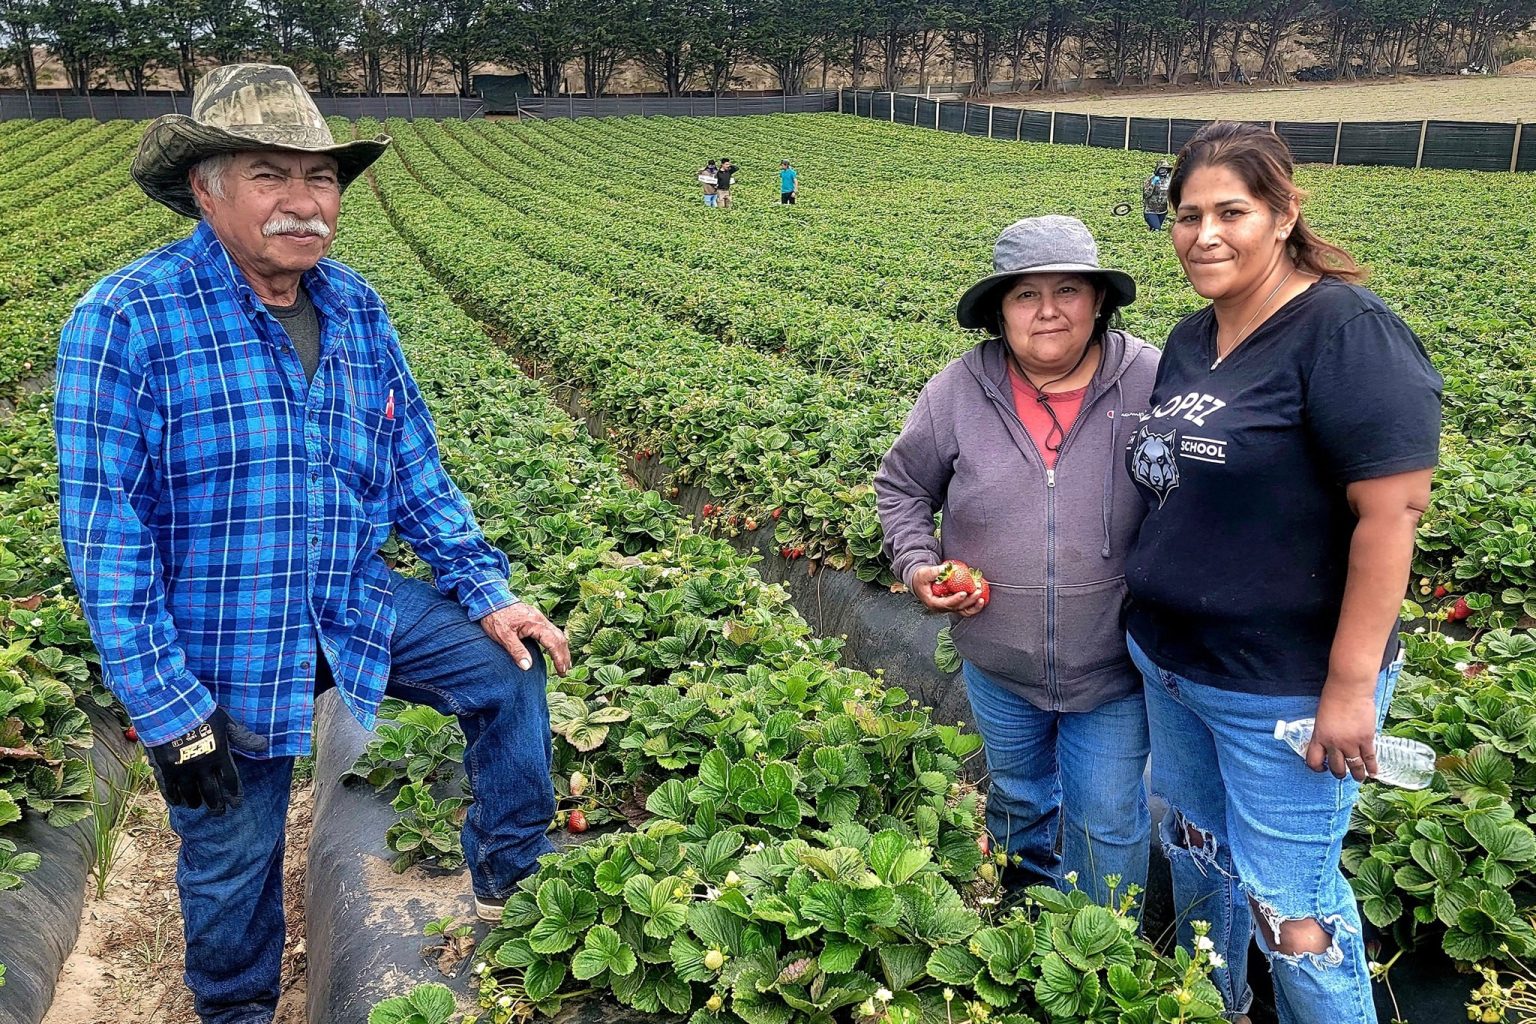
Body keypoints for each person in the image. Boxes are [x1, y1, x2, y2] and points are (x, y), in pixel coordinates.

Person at [54, 64, 572, 1024]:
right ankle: (239, 1009)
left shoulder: (357, 308)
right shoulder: (126, 318)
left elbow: (416, 471)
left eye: (321, 178)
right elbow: (105, 536)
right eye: (268, 175)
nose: (303, 202)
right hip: (221, 635)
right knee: (230, 852)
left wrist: (490, 591)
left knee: (508, 668)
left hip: (348, 600)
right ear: (205, 189)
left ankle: (514, 881)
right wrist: (169, 711)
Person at [1123, 121, 1442, 1024]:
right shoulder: (1191, 337)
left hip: (1282, 690)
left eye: (1232, 211)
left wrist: (1349, 688)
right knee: (1195, 851)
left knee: (1292, 907)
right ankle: (1213, 1004)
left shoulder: (1347, 333)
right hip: (1174, 664)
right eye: (1187, 215)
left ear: (1283, 212)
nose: (1205, 235)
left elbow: (1392, 517)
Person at [875, 215, 1158, 909]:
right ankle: (1028, 920)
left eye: (1068, 289)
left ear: (1099, 301)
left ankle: (1100, 952)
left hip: (1115, 665)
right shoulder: (957, 390)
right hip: (998, 662)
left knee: (1111, 822)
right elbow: (903, 487)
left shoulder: (1151, 380)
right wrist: (918, 566)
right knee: (1019, 799)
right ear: (999, 312)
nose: (1049, 311)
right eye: (1025, 295)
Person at [1142, 160, 1172, 231]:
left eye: (1166, 169)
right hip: (1150, 211)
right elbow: (1146, 194)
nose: (1164, 171)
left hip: (1162, 211)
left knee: (1153, 230)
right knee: (1157, 229)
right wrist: (1153, 183)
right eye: (1162, 169)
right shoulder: (1150, 179)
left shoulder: (1168, 180)